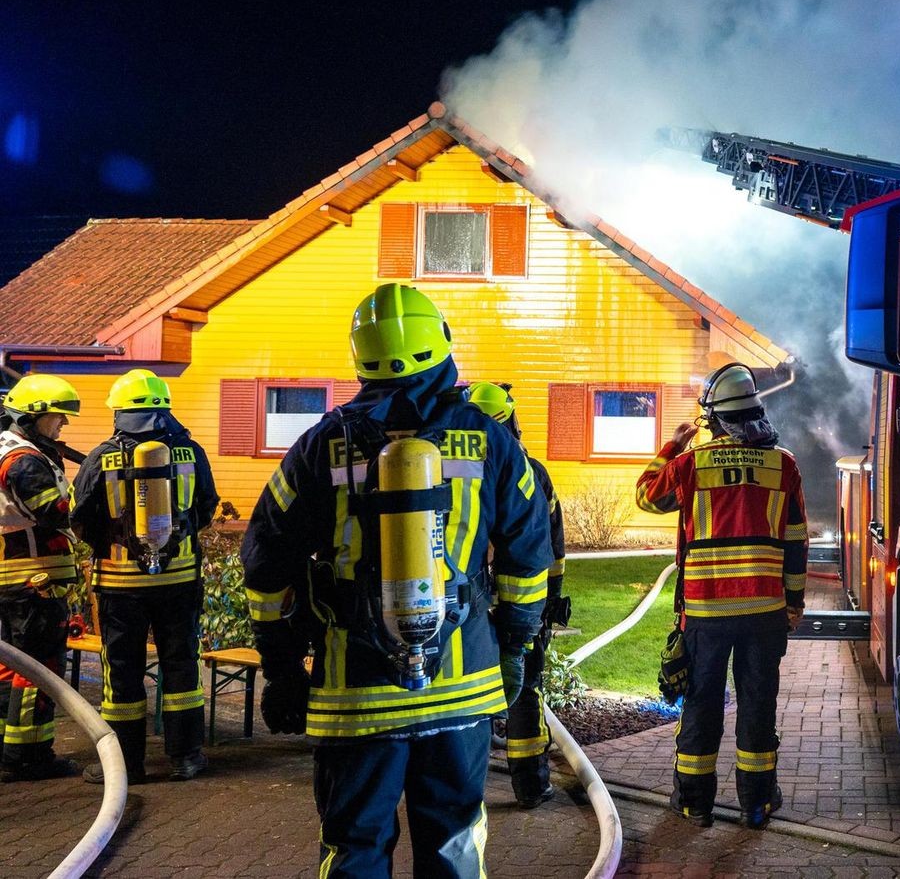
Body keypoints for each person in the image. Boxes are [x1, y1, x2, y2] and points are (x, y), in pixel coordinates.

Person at [242, 283, 553, 877]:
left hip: (355, 692)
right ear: (441, 345)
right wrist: (513, 646)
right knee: (455, 843)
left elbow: (265, 562)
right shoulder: (490, 441)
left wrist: (281, 665)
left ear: (361, 359)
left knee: (356, 845)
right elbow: (528, 556)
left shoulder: (319, 446)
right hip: (462, 683)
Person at [635, 362, 806, 830]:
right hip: (765, 613)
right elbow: (796, 540)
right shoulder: (783, 465)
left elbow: (646, 495)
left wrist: (674, 442)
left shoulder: (692, 464)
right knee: (757, 704)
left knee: (702, 704)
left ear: (714, 420)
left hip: (706, 615)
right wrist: (794, 603)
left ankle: (694, 803)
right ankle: (756, 804)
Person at [71, 369, 219, 783]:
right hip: (179, 580)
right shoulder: (191, 451)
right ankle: (186, 757)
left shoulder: (103, 456)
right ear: (165, 407)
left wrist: (113, 543)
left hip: (120, 585)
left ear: (119, 411)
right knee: (181, 666)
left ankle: (127, 765)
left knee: (121, 671)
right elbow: (206, 508)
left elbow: (80, 517)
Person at [463, 381, 570, 808]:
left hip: (467, 607)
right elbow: (550, 547)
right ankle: (530, 785)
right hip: (520, 605)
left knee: (466, 690)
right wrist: (547, 603)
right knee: (525, 691)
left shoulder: (451, 467)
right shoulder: (532, 473)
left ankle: (465, 784)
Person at [0, 374, 82, 781]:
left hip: (13, 580)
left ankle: (8, 749)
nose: (62, 426)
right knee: (38, 669)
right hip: (34, 580)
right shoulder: (26, 461)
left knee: (9, 667)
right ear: (32, 417)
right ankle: (29, 756)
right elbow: (55, 513)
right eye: (57, 418)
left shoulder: (9, 448)